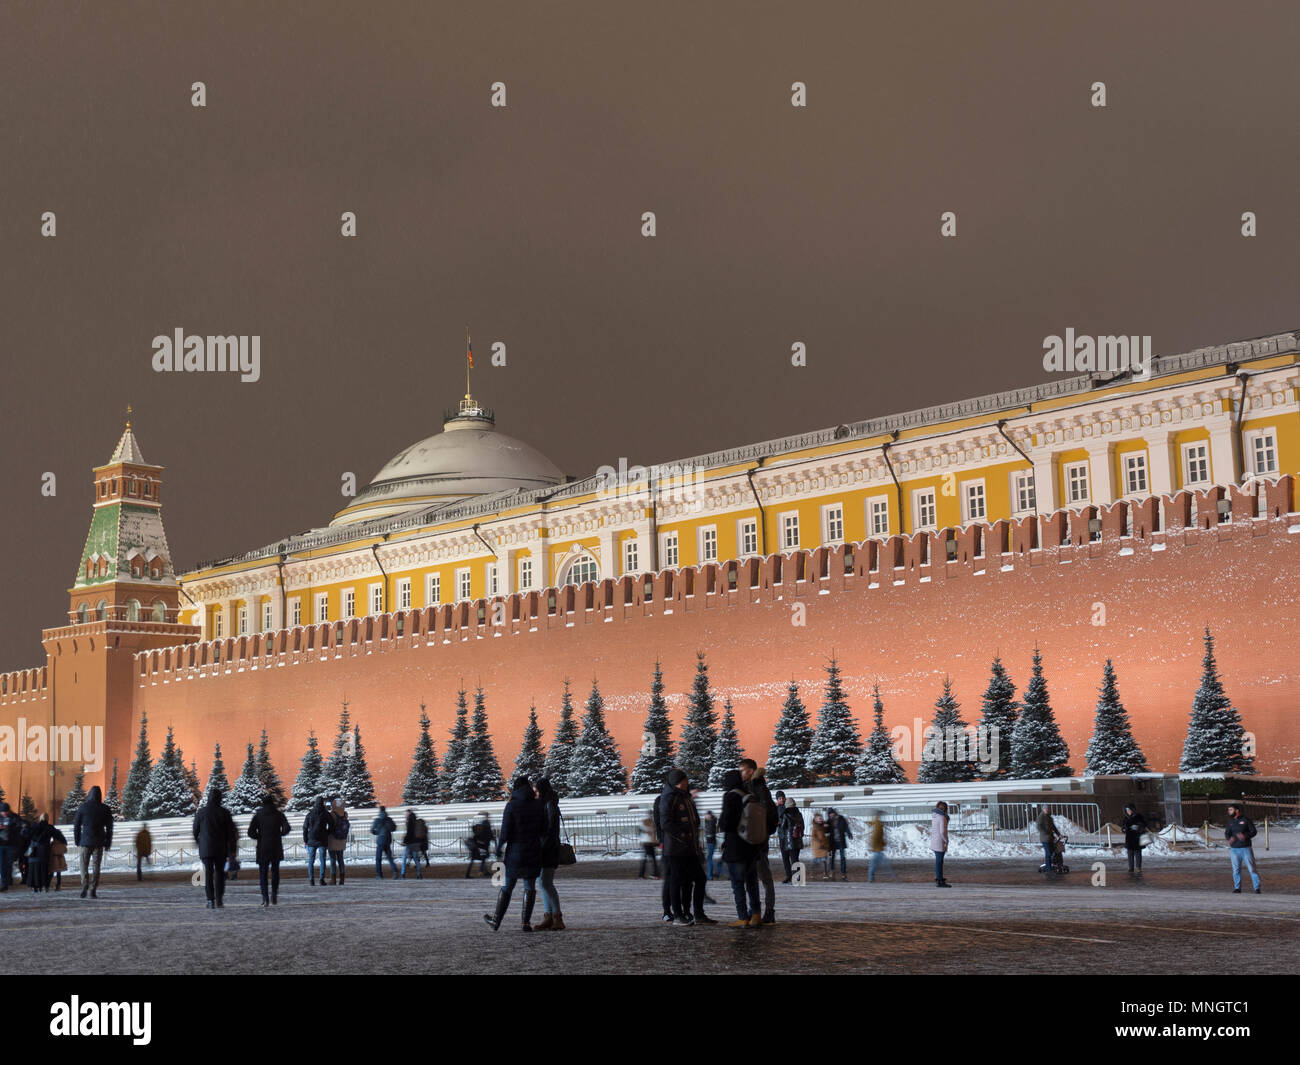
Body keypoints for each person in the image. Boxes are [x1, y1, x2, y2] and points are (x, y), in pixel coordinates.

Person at [484, 776, 546, 931]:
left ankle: (496, 921)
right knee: (529, 886)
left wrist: (499, 848)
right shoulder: (538, 805)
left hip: (515, 852)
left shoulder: (511, 805)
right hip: (533, 850)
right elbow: (544, 829)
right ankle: (526, 922)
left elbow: (505, 831)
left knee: (507, 886)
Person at [659, 768, 708, 926]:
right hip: (676, 848)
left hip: (689, 847)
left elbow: (694, 819)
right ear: (678, 782)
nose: (687, 783)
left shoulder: (685, 797)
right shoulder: (669, 797)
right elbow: (665, 823)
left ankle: (695, 913)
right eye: (684, 780)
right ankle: (678, 914)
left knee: (696, 879)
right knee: (676, 880)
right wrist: (682, 835)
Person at [719, 768, 762, 928]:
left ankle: (742, 916)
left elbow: (727, 823)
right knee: (752, 882)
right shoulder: (749, 795)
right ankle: (756, 914)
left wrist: (721, 823)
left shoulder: (731, 796)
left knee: (738, 883)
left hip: (736, 847)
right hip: (751, 846)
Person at [740, 759, 778, 923]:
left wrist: (763, 833)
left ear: (751, 771)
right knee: (752, 878)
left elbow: (770, 814)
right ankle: (755, 911)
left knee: (764, 878)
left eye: (743, 770)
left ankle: (769, 911)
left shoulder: (759, 788)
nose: (740, 773)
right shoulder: (749, 787)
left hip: (758, 841)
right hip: (750, 841)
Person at [193, 787, 237, 909]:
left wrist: (199, 843)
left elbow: (195, 831)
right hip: (220, 849)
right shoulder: (224, 812)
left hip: (206, 849)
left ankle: (209, 900)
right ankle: (219, 899)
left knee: (208, 873)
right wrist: (232, 850)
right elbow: (231, 834)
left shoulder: (201, 812)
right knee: (220, 874)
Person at [247, 793, 291, 907]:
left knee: (263, 873)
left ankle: (265, 897)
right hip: (276, 845)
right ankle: (274, 894)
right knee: (275, 872)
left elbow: (250, 832)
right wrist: (280, 834)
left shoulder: (258, 815)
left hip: (263, 846)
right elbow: (287, 827)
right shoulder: (279, 814)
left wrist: (259, 837)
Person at [535, 777, 565, 931]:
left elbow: (551, 827)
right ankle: (549, 916)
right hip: (546, 846)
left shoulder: (548, 803)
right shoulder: (550, 802)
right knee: (543, 882)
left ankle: (557, 917)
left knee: (546, 883)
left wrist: (544, 843)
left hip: (548, 847)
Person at [73, 785, 113, 899]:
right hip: (99, 842)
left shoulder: (83, 807)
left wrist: (77, 841)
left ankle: (84, 884)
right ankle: (93, 889)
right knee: (96, 866)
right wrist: (108, 842)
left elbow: (76, 826)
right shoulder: (105, 809)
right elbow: (109, 828)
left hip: (85, 842)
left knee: (83, 865)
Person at [1224, 803, 1262, 894]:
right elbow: (1227, 833)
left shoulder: (1246, 820)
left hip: (1246, 848)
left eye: (1231, 810)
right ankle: (1237, 888)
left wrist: (1245, 836)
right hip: (1234, 850)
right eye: (1229, 810)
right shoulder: (1230, 822)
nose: (1229, 812)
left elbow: (1253, 831)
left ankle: (1257, 888)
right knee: (1236, 870)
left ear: (1237, 810)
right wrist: (1229, 839)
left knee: (1252, 869)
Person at [303, 797, 333, 885]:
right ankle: (321, 879)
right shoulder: (325, 813)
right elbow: (332, 825)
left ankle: (311, 880)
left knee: (311, 861)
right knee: (322, 860)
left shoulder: (310, 814)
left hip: (311, 839)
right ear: (322, 803)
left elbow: (305, 827)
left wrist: (305, 840)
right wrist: (327, 833)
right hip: (322, 839)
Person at [776, 792, 804, 882]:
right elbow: (802, 825)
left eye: (782, 798)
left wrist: (779, 823)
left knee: (787, 858)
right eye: (779, 798)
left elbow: (783, 825)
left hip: (787, 838)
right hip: (796, 838)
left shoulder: (785, 813)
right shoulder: (799, 813)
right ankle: (797, 877)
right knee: (794, 858)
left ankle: (791, 876)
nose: (781, 800)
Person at [27, 812, 55, 893]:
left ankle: (35, 886)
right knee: (44, 869)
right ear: (47, 818)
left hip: (34, 851)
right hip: (44, 851)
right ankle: (44, 886)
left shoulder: (34, 826)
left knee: (34, 869)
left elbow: (28, 835)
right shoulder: (50, 827)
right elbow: (58, 836)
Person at [867, 811, 899, 882]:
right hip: (878, 849)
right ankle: (893, 877)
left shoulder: (875, 823)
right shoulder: (878, 825)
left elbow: (875, 837)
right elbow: (878, 837)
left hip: (876, 848)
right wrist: (883, 843)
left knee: (873, 865)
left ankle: (871, 878)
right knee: (884, 865)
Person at [0, 801, 22, 892]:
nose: (4, 813)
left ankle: (8, 881)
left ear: (9, 811)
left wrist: (8, 828)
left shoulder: (15, 818)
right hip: (1, 844)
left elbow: (19, 828)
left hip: (11, 844)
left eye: (5, 811)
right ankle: (5, 883)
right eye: (2, 812)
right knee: (1, 865)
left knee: (9, 864)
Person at [371, 805, 398, 878]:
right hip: (388, 839)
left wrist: (378, 833)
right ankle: (395, 872)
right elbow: (394, 828)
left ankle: (379, 874)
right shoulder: (389, 819)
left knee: (378, 858)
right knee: (389, 857)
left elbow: (372, 830)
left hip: (380, 840)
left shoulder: (377, 820)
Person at [827, 806, 854, 880]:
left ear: (834, 813)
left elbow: (846, 827)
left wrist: (849, 834)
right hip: (832, 842)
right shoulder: (829, 821)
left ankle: (843, 873)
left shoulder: (841, 818)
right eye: (829, 814)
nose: (831, 815)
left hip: (840, 840)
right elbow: (826, 830)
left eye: (832, 813)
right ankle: (832, 871)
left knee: (842, 857)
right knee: (832, 858)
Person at [1122, 803, 1147, 878]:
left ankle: (1138, 867)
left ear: (1132, 810)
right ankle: (1131, 868)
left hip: (1137, 838)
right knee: (1130, 854)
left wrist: (1138, 827)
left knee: (1137, 853)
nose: (1128, 811)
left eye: (1129, 810)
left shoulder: (1138, 816)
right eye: (1127, 810)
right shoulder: (1126, 818)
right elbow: (1123, 827)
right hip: (1129, 838)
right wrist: (1123, 829)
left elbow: (1144, 824)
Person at [466, 814, 495, 878]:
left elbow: (474, 838)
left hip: (477, 848)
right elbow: (491, 838)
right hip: (483, 848)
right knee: (483, 858)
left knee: (478, 859)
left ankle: (482, 871)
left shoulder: (479, 831)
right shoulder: (487, 831)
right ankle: (481, 871)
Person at [327, 799, 349, 884]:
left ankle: (333, 879)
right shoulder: (345, 814)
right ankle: (342, 879)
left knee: (333, 860)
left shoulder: (332, 814)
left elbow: (330, 826)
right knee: (341, 860)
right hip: (342, 840)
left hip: (333, 839)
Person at [931, 801, 951, 887]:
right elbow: (942, 832)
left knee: (938, 861)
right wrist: (946, 840)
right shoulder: (942, 818)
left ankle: (939, 877)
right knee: (939, 862)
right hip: (940, 842)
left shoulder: (935, 816)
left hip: (935, 841)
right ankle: (939, 880)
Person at [1036, 806, 1058, 878]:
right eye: (1046, 809)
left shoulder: (1049, 817)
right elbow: (1039, 827)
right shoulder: (1041, 817)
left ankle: (1050, 865)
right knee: (1048, 853)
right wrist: (1045, 832)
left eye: (1048, 809)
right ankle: (1049, 869)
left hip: (1050, 838)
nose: (1048, 810)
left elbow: (1053, 827)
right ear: (1043, 809)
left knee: (1052, 852)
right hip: (1045, 838)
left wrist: (1059, 834)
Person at [402, 809, 424, 879]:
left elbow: (409, 833)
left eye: (406, 814)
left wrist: (404, 841)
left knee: (404, 858)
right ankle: (419, 874)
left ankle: (402, 873)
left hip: (410, 843)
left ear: (409, 814)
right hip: (416, 842)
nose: (405, 815)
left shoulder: (410, 822)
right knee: (416, 858)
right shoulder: (416, 821)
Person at [47, 823, 68, 891]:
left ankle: (47, 885)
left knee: (51, 873)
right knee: (59, 874)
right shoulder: (62, 843)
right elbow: (65, 850)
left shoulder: (53, 844)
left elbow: (50, 852)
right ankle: (58, 886)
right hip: (61, 859)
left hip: (54, 859)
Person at [810, 812, 831, 879]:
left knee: (824, 860)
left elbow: (827, 834)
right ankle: (812, 872)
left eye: (821, 818)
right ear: (815, 820)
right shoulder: (815, 827)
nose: (820, 820)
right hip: (818, 847)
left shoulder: (824, 825)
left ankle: (825, 874)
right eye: (819, 819)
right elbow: (813, 836)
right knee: (816, 861)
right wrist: (818, 842)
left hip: (824, 845)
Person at [702, 810, 718, 880]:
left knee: (709, 858)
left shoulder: (711, 822)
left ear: (709, 816)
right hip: (710, 842)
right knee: (709, 858)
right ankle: (710, 875)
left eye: (707, 815)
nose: (705, 816)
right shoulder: (710, 821)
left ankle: (709, 875)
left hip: (711, 842)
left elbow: (709, 833)